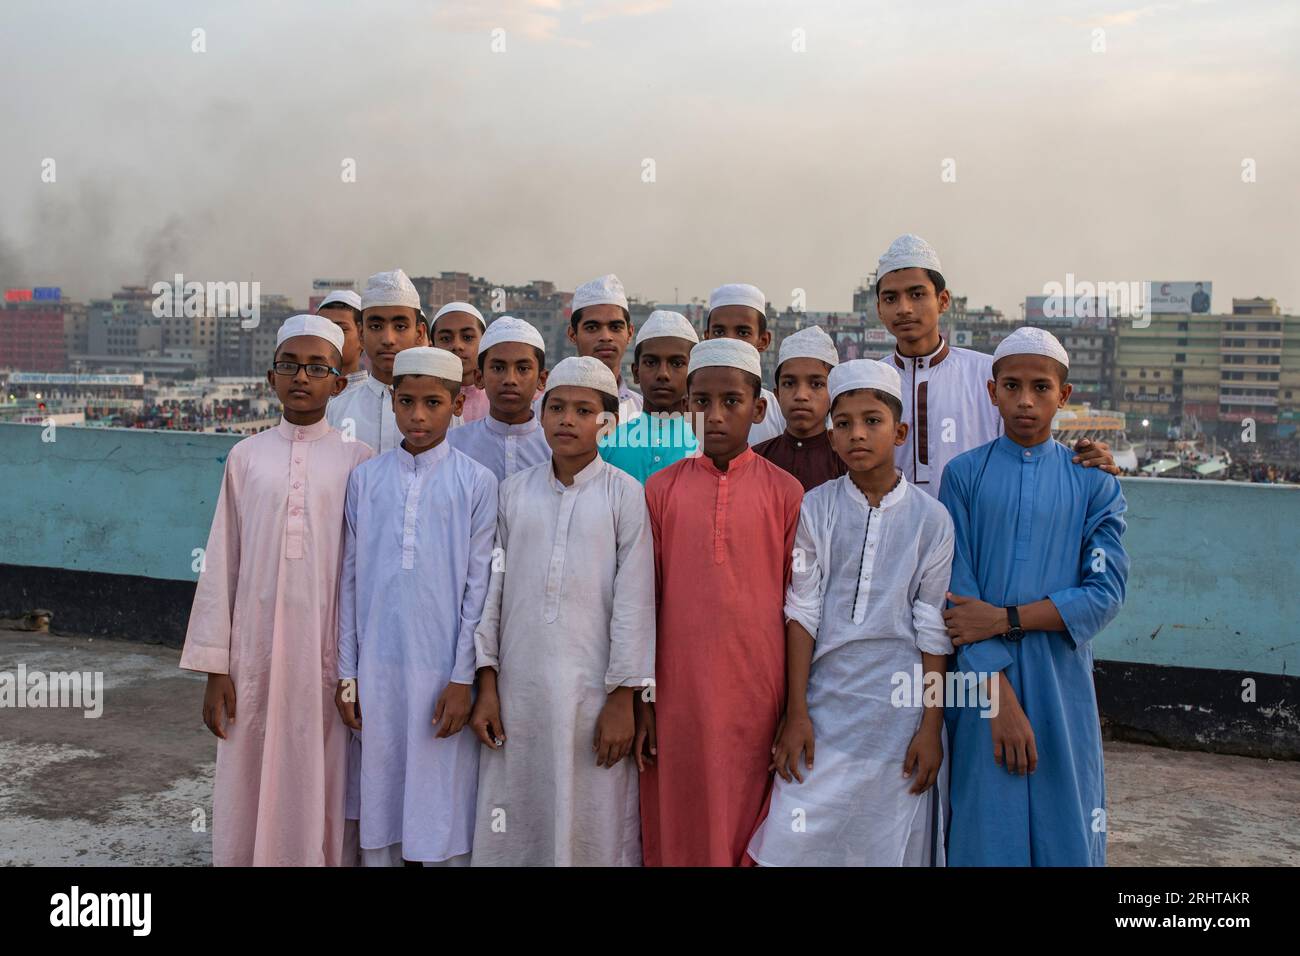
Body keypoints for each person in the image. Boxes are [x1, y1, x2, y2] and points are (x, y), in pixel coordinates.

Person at [180, 314, 373, 866]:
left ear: (339, 382)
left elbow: (362, 574)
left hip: (326, 652)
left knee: (322, 770)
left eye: (317, 367)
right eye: (289, 366)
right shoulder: (246, 457)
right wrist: (217, 667)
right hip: (253, 655)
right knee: (250, 765)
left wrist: (355, 666)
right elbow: (222, 562)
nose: (302, 377)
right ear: (270, 378)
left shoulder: (358, 462)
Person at [747, 360, 954, 866]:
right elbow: (803, 612)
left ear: (899, 431)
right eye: (843, 424)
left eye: (872, 421)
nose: (857, 434)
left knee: (883, 842)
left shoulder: (932, 519)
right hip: (825, 704)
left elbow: (932, 630)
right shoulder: (815, 507)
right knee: (793, 837)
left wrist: (930, 727)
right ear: (831, 434)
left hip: (899, 714)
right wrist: (796, 712)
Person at [939, 327, 1128, 866]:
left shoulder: (1094, 484)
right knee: (983, 828)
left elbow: (1104, 593)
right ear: (991, 391)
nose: (1025, 401)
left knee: (1066, 826)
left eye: (1041, 387)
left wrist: (1005, 619)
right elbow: (957, 594)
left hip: (1060, 683)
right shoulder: (964, 477)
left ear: (1063, 396)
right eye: (1013, 386)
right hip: (982, 683)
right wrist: (998, 702)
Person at [470, 356, 655, 866]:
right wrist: (486, 683)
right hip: (519, 692)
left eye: (583, 410)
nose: (567, 420)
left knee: (593, 820)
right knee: (518, 817)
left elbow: (634, 602)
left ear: (607, 422)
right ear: (541, 412)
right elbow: (491, 594)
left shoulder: (625, 496)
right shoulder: (512, 494)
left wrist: (623, 698)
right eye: (556, 408)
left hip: (593, 694)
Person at [639, 338, 803, 866]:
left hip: (757, 693)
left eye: (730, 402)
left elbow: (799, 605)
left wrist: (794, 706)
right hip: (676, 691)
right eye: (701, 402)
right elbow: (644, 600)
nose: (714, 415)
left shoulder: (786, 492)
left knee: (747, 821)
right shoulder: (659, 490)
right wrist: (643, 699)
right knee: (679, 816)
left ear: (758, 409)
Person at [336, 346, 496, 867]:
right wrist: (346, 675)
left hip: (441, 673)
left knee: (440, 798)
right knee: (380, 790)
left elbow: (479, 589)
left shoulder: (476, 482)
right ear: (394, 403)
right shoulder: (365, 479)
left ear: (457, 404)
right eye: (406, 402)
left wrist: (461, 679)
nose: (418, 415)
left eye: (433, 402)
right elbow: (350, 581)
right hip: (376, 667)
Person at [873, 235, 1115, 498]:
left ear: (943, 300)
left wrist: (1082, 459)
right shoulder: (871, 382)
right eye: (890, 299)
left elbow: (1027, 449)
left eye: (917, 294)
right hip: (890, 532)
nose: (904, 308)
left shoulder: (990, 374)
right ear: (878, 309)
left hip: (976, 530)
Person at [327, 268, 428, 453]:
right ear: (362, 334)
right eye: (376, 326)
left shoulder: (442, 409)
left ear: (419, 333)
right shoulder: (337, 409)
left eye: (400, 326)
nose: (388, 338)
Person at [599, 309, 700, 484]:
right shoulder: (608, 444)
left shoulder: (705, 445)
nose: (663, 374)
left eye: (677, 363)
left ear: (695, 373)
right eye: (651, 363)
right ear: (636, 372)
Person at [447, 316, 551, 482]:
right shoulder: (453, 445)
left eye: (523, 368)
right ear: (479, 377)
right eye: (498, 368)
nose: (510, 379)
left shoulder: (555, 449)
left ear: (542, 379)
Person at [753, 324, 846, 491]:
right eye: (789, 383)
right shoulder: (756, 459)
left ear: (833, 394)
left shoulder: (846, 463)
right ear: (777, 394)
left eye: (816, 384)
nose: (801, 395)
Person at [704, 283, 786, 445]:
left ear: (763, 341)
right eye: (719, 332)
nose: (729, 341)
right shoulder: (690, 409)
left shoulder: (778, 412)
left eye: (743, 333)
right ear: (707, 338)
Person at [567, 273, 642, 422]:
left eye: (615, 327)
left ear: (630, 333)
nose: (606, 336)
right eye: (592, 327)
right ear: (572, 334)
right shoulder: (545, 410)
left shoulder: (641, 412)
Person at [431, 301, 490, 424]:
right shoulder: (420, 399)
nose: (457, 346)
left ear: (485, 342)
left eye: (467, 337)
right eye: (445, 339)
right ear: (432, 346)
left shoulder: (498, 399)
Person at [316, 290, 367, 393]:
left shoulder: (376, 399)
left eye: (340, 330)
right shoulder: (304, 394)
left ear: (362, 336)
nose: (328, 337)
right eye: (321, 329)